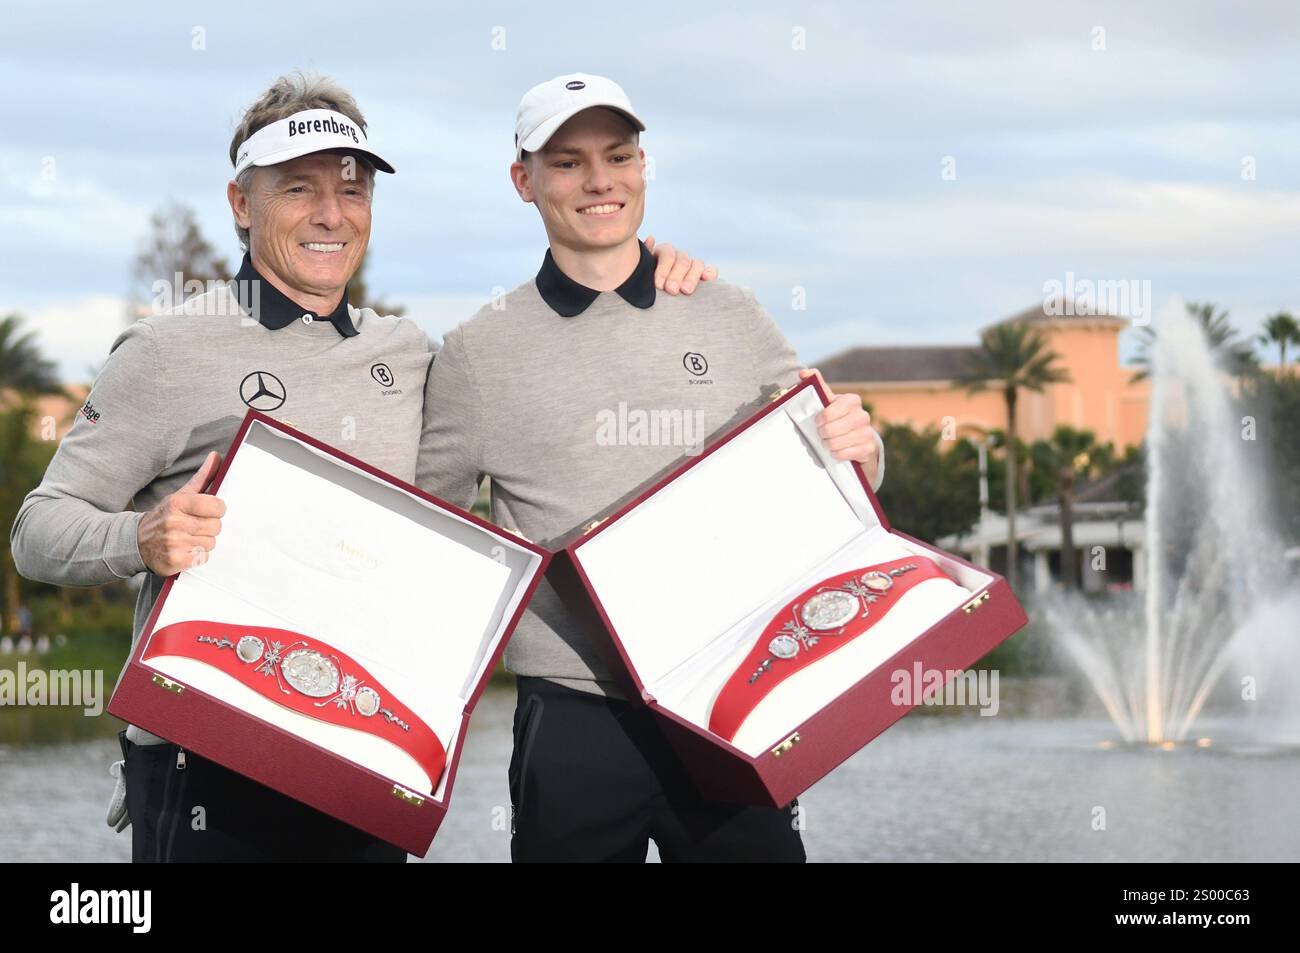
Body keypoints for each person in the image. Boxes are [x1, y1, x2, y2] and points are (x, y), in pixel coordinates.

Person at [10, 70, 708, 862]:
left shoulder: (411, 356)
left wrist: (646, 276)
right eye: (298, 189)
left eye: (352, 189)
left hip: (366, 756)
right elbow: (37, 529)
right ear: (242, 204)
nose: (331, 214)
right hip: (205, 763)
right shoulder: (164, 353)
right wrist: (142, 536)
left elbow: (558, 402)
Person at [416, 74, 884, 862]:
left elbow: (834, 475)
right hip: (574, 715)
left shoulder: (727, 310)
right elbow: (437, 540)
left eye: (619, 155)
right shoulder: (475, 354)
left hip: (734, 697)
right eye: (567, 163)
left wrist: (866, 452)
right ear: (522, 181)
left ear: (643, 165)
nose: (600, 180)